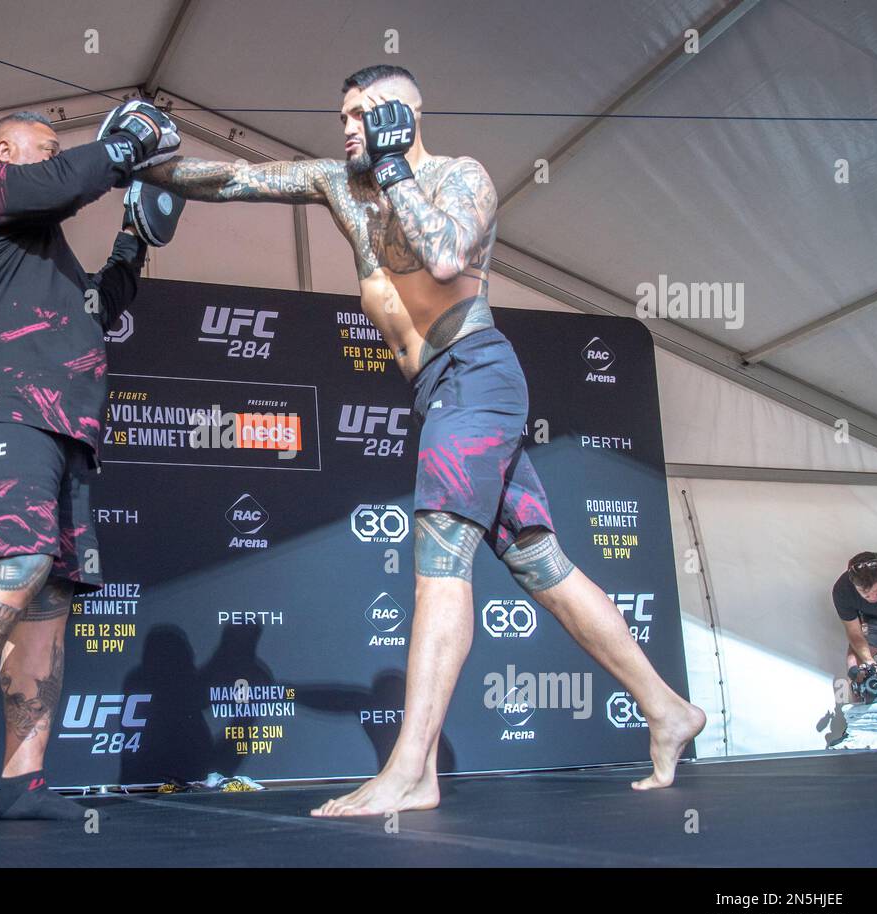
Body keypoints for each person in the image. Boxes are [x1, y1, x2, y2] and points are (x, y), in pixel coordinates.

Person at [141, 64, 705, 816]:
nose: (345, 126)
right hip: (440, 388)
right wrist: (150, 169)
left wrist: (399, 165)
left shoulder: (458, 177)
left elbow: (443, 257)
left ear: (404, 115)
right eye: (341, 112)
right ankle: (667, 707)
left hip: (476, 375)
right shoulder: (342, 184)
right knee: (542, 562)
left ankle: (411, 767)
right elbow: (242, 179)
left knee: (441, 555)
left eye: (362, 113)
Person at [0, 102, 181, 828]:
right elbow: (68, 182)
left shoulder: (50, 258)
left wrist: (133, 245)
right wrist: (122, 148)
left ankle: (23, 778)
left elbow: (99, 310)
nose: (57, 161)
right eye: (46, 152)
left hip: (65, 426)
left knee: (48, 602)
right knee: (17, 563)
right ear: (8, 154)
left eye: (60, 151)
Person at [834, 551, 877, 676]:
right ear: (854, 585)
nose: (872, 596)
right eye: (865, 593)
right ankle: (856, 694)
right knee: (856, 665)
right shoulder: (842, 591)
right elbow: (854, 632)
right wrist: (868, 661)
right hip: (875, 622)